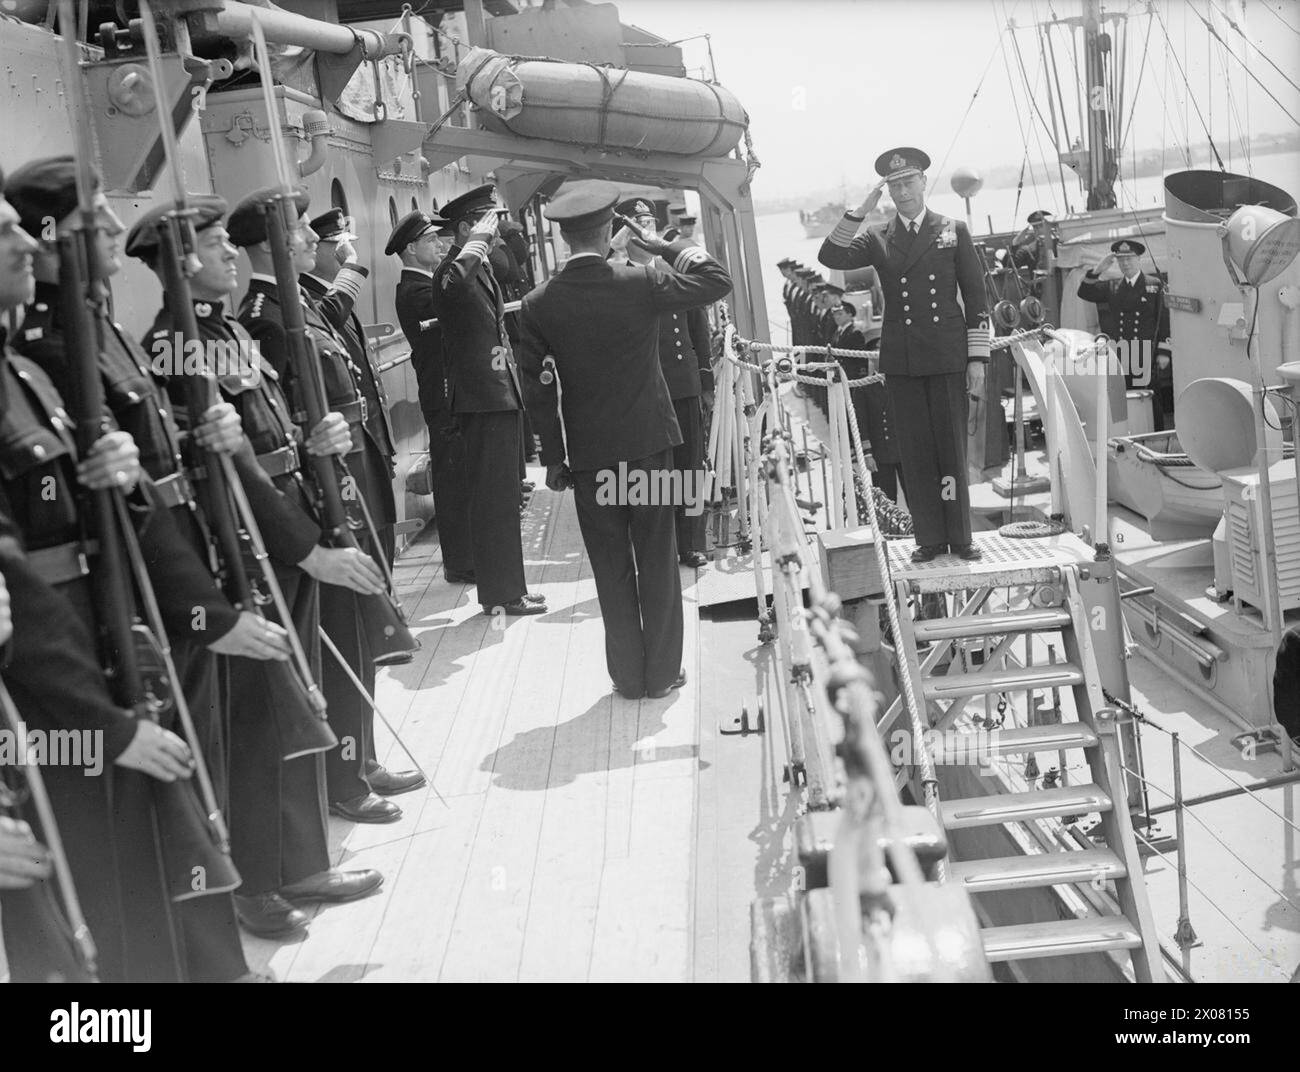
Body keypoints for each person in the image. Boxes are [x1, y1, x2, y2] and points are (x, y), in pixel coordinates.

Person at [125, 191, 388, 937]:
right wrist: (298, 546)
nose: (232, 255)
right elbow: (215, 471)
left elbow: (268, 439)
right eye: (213, 246)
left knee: (291, 703)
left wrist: (319, 442)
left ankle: (301, 860)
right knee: (257, 717)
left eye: (230, 244)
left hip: (285, 525)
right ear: (178, 266)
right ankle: (257, 880)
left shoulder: (228, 333)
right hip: (247, 547)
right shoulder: (174, 348)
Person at [231, 187, 418, 825]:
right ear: (266, 246)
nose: (312, 240)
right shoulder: (262, 314)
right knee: (340, 621)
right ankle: (343, 778)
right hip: (325, 490)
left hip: (352, 476)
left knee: (361, 621)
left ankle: (360, 754)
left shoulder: (299, 300)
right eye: (298, 232)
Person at [517, 180, 732, 699]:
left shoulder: (538, 303)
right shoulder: (642, 281)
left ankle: (627, 678)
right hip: (650, 450)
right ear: (612, 229)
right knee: (657, 556)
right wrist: (672, 246)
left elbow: (537, 390)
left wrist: (554, 457)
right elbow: (716, 281)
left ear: (565, 238)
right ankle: (661, 674)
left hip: (591, 458)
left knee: (611, 567)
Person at [819, 146, 990, 562]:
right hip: (904, 361)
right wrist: (859, 210)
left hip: (947, 356)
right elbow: (831, 256)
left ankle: (960, 535)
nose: (903, 191)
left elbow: (976, 298)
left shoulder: (953, 229)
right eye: (894, 185)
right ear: (887, 192)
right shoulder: (878, 236)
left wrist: (977, 360)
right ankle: (929, 538)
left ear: (923, 183)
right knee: (915, 452)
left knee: (950, 447)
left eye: (908, 182)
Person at [432, 184, 546, 618]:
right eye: (486, 227)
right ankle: (502, 594)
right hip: (482, 401)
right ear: (466, 229)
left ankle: (507, 588)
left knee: (501, 497)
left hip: (496, 396)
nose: (496, 236)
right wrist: (476, 241)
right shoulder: (451, 272)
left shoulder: (477, 269)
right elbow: (455, 286)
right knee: (493, 499)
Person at [618, 197, 713, 568]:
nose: (646, 231)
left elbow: (698, 329)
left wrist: (705, 381)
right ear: (624, 234)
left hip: (683, 382)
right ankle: (662, 545)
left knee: (690, 465)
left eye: (649, 224)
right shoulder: (617, 278)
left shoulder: (677, 271)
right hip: (645, 390)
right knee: (656, 472)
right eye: (637, 225)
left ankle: (691, 543)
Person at [302, 207, 399, 565]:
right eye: (338, 244)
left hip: (371, 434)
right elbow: (327, 318)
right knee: (369, 537)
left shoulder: (326, 293)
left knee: (382, 529)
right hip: (352, 440)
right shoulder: (311, 297)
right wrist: (351, 269)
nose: (345, 250)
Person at [388, 209, 475, 583]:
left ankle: (468, 556)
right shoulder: (417, 292)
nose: (438, 243)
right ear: (410, 250)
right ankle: (460, 562)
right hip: (442, 393)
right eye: (429, 240)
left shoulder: (424, 285)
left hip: (449, 390)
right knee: (453, 477)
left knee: (460, 473)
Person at [1077, 238, 1172, 429]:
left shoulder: (1153, 285)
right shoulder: (1113, 287)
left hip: (1146, 352)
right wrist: (1098, 270)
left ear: (1138, 260)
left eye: (1129, 259)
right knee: (1124, 399)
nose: (1125, 264)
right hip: (1120, 353)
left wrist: (1164, 351)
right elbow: (1084, 292)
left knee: (1150, 398)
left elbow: (1164, 319)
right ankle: (1130, 436)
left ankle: (1157, 435)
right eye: (1121, 260)